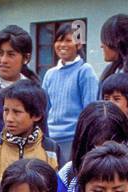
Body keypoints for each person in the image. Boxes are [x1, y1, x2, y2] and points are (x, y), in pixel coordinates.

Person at [43, 22, 100, 164]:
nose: (62, 45)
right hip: (50, 139)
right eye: (59, 40)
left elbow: (91, 111)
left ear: (79, 45)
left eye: (68, 40)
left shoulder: (85, 71)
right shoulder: (50, 74)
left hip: (74, 139)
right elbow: (44, 108)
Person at [0, 80, 58, 175]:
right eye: (6, 110)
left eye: (17, 112)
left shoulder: (50, 149)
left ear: (37, 115)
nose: (9, 118)